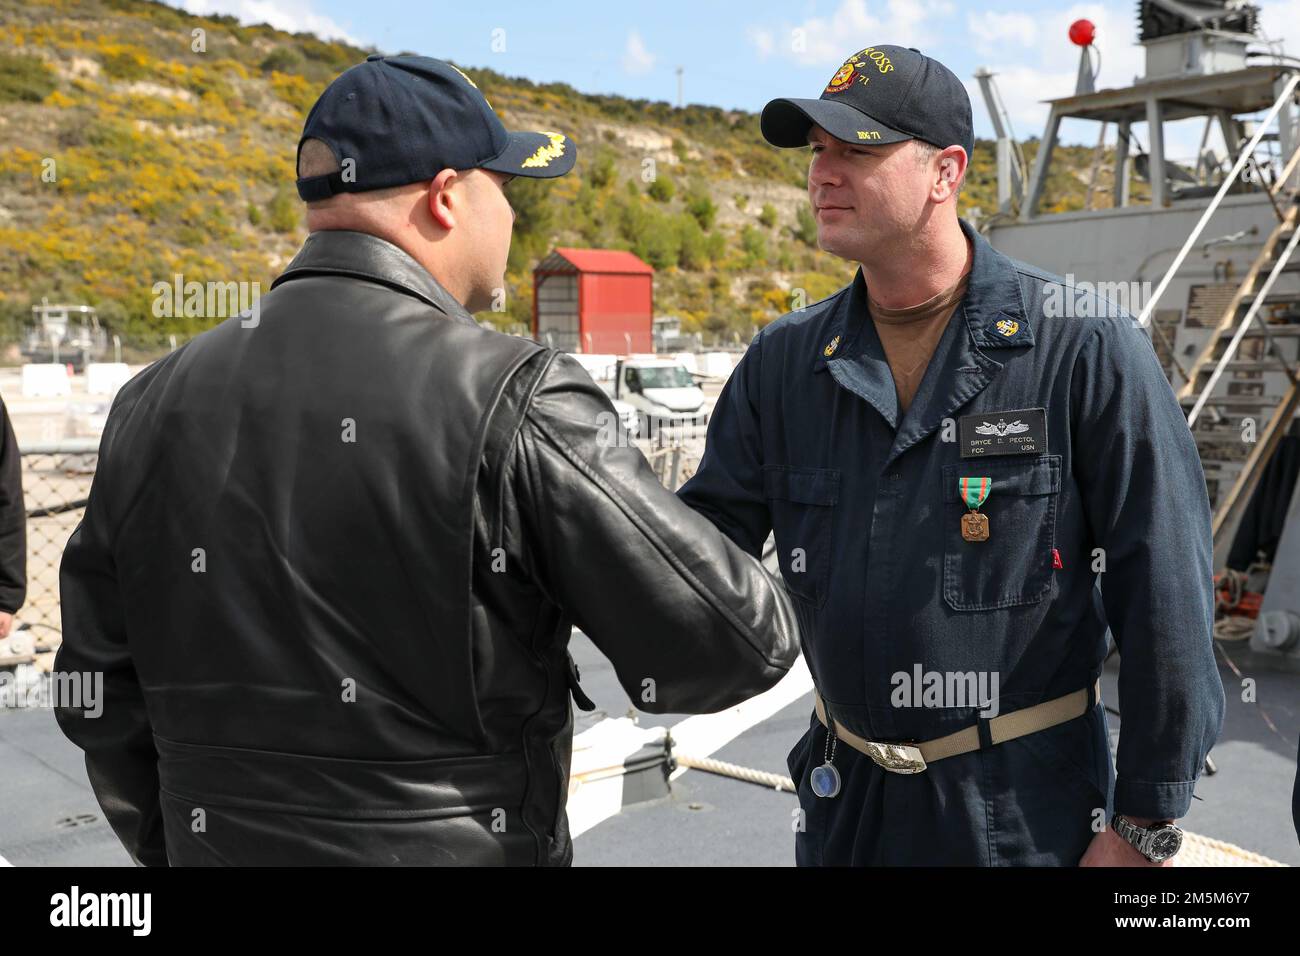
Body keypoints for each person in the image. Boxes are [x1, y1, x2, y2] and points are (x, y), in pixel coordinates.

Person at [54, 54, 799, 866]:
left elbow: (97, 690)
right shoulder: (515, 395)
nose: (512, 215)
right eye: (504, 187)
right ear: (446, 197)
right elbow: (731, 648)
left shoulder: (150, 399)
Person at [678, 44, 1224, 865]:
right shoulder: (786, 363)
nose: (823, 173)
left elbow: (1167, 587)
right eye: (817, 151)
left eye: (856, 150)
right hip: (846, 804)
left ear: (946, 171)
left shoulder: (1083, 347)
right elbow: (696, 550)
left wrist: (1143, 825)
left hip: (1022, 814)